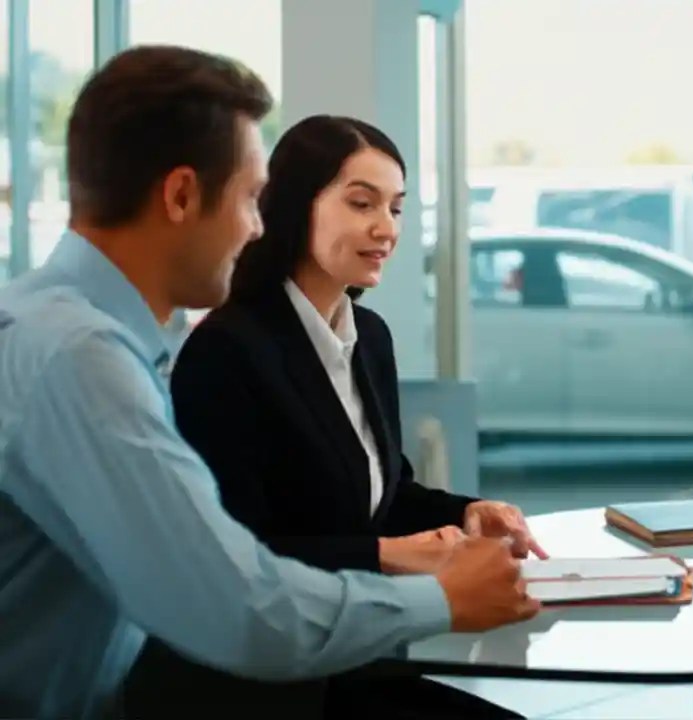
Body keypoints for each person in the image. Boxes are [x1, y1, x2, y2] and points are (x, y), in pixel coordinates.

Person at [0, 45, 538, 720]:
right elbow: (237, 606)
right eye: (252, 197)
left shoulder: (67, 327)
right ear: (181, 196)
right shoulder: (80, 357)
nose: (258, 224)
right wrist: (444, 598)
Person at [154, 114, 542, 718]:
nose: (385, 229)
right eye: (362, 203)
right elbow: (240, 553)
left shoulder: (371, 338)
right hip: (269, 685)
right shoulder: (227, 350)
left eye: (396, 208)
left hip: (359, 661)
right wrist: (391, 553)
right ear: (292, 207)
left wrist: (465, 512)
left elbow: (384, 493)